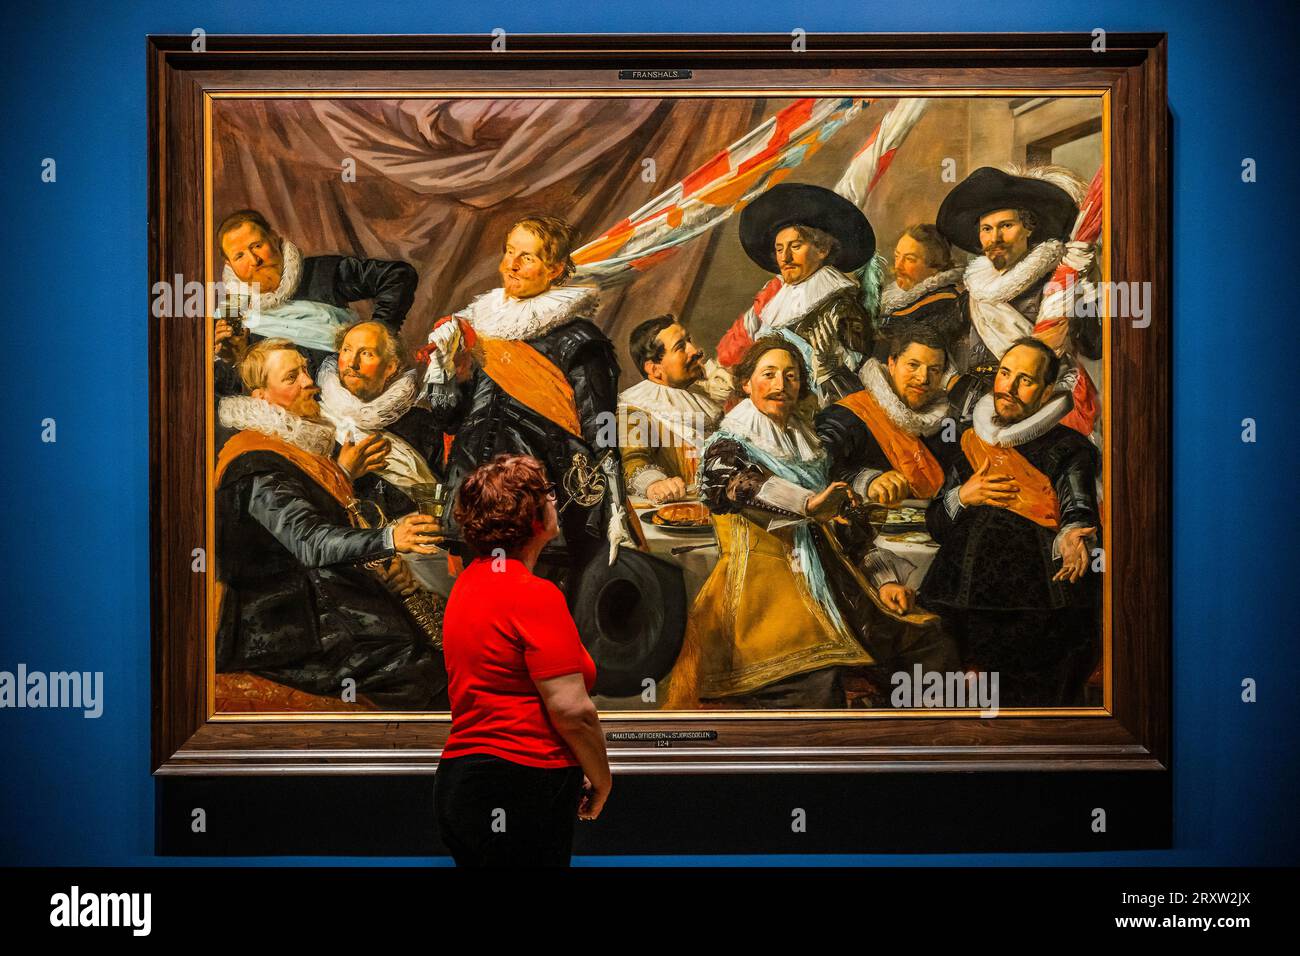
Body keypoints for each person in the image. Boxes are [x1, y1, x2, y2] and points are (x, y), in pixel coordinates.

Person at [664, 337, 955, 710]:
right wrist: (808, 503)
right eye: (768, 375)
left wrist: (885, 581)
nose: (781, 385)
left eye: (791, 376)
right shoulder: (727, 445)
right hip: (764, 592)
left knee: (930, 641)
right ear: (746, 384)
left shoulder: (811, 445)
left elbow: (849, 527)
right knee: (818, 685)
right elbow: (739, 486)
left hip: (834, 583)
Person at [214, 338, 448, 710]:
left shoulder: (290, 448)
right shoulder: (254, 462)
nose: (311, 383)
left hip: (321, 601)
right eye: (292, 377)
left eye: (306, 371)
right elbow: (311, 542)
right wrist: (389, 536)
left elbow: (318, 516)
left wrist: (342, 475)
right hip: (286, 627)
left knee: (423, 645)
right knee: (414, 664)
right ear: (261, 397)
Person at [418, 215, 634, 588]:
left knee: (539, 616)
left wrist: (615, 509)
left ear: (555, 270)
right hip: (475, 503)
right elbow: (447, 418)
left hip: (545, 509)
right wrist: (446, 368)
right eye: (509, 252)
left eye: (527, 257)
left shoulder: (580, 341)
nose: (511, 265)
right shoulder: (477, 329)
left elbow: (603, 431)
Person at [435, 454, 612, 867]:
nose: (555, 500)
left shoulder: (469, 583)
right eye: (547, 493)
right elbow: (573, 711)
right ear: (532, 516)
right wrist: (602, 779)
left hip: (463, 781)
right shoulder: (533, 593)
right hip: (521, 781)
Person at [918, 339, 1101, 707]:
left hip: (1033, 604)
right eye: (1005, 374)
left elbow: (1077, 505)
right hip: (957, 597)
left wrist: (1072, 534)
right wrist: (962, 496)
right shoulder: (970, 441)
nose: (1009, 388)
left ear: (1047, 391)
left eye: (1025, 380)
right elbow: (936, 523)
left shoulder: (1068, 447)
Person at [935, 165, 1099, 433]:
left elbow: (1094, 348)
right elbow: (935, 346)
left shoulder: (1061, 284)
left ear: (1029, 229)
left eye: (1006, 226)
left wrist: (1086, 284)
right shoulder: (972, 296)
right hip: (978, 418)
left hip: (1046, 415)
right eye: (986, 229)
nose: (994, 238)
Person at [213, 208, 418, 395]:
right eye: (239, 256)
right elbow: (226, 393)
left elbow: (398, 276)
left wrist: (376, 333)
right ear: (229, 264)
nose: (253, 260)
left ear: (274, 239)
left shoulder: (320, 272)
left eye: (257, 246)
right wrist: (235, 358)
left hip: (352, 397)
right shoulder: (230, 313)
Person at [716, 183, 877, 407]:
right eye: (780, 249)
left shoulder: (841, 305)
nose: (786, 257)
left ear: (822, 250)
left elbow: (852, 375)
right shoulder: (776, 302)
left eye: (796, 246)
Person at [617, 314, 725, 504]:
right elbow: (632, 460)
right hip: (675, 515)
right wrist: (655, 484)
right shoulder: (634, 408)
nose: (694, 350)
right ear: (655, 369)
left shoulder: (704, 401)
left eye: (689, 340)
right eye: (680, 347)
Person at [875, 224, 965, 361]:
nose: (898, 266)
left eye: (910, 259)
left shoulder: (944, 303)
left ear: (935, 267)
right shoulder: (894, 299)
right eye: (897, 256)